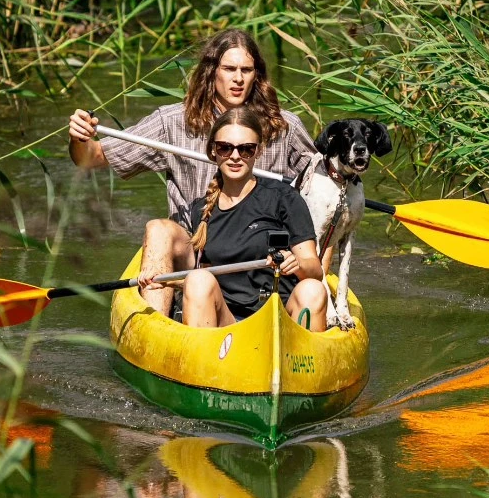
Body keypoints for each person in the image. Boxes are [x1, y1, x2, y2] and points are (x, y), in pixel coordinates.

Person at [68, 29, 316, 316]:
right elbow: (91, 158)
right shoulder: (172, 122)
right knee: (158, 229)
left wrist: (313, 267)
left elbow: (324, 193)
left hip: (263, 258)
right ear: (212, 72)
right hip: (195, 255)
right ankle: (158, 327)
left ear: (256, 76)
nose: (238, 78)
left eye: (246, 70)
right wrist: (79, 137)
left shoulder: (285, 126)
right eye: (229, 69)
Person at [137, 106, 328, 330]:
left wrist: (295, 263)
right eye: (225, 148)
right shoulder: (202, 210)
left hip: (280, 321)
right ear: (214, 151)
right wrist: (161, 279)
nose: (235, 156)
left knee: (313, 290)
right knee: (198, 279)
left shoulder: (284, 198)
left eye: (246, 149)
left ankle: (309, 361)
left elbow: (314, 269)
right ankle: (202, 358)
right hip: (228, 324)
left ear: (258, 151)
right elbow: (200, 280)